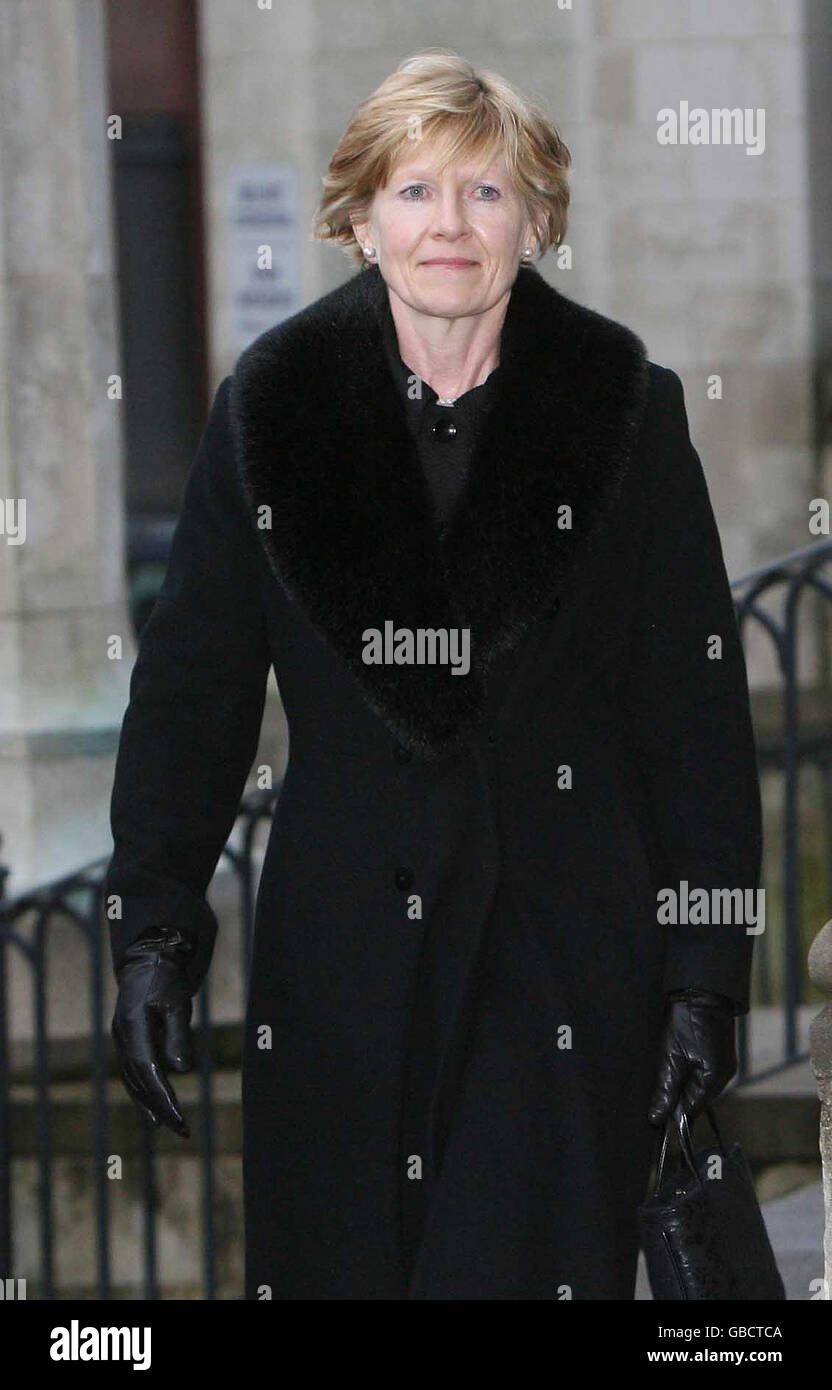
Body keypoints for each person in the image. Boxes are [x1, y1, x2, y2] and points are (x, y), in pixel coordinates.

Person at [106, 50, 761, 1300]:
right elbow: (192, 693)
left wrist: (704, 973)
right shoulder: (268, 411)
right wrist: (153, 930)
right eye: (414, 192)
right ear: (359, 220)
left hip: (564, 959)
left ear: (538, 218)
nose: (448, 227)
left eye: (485, 193)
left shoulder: (625, 407)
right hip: (340, 968)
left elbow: (694, 708)